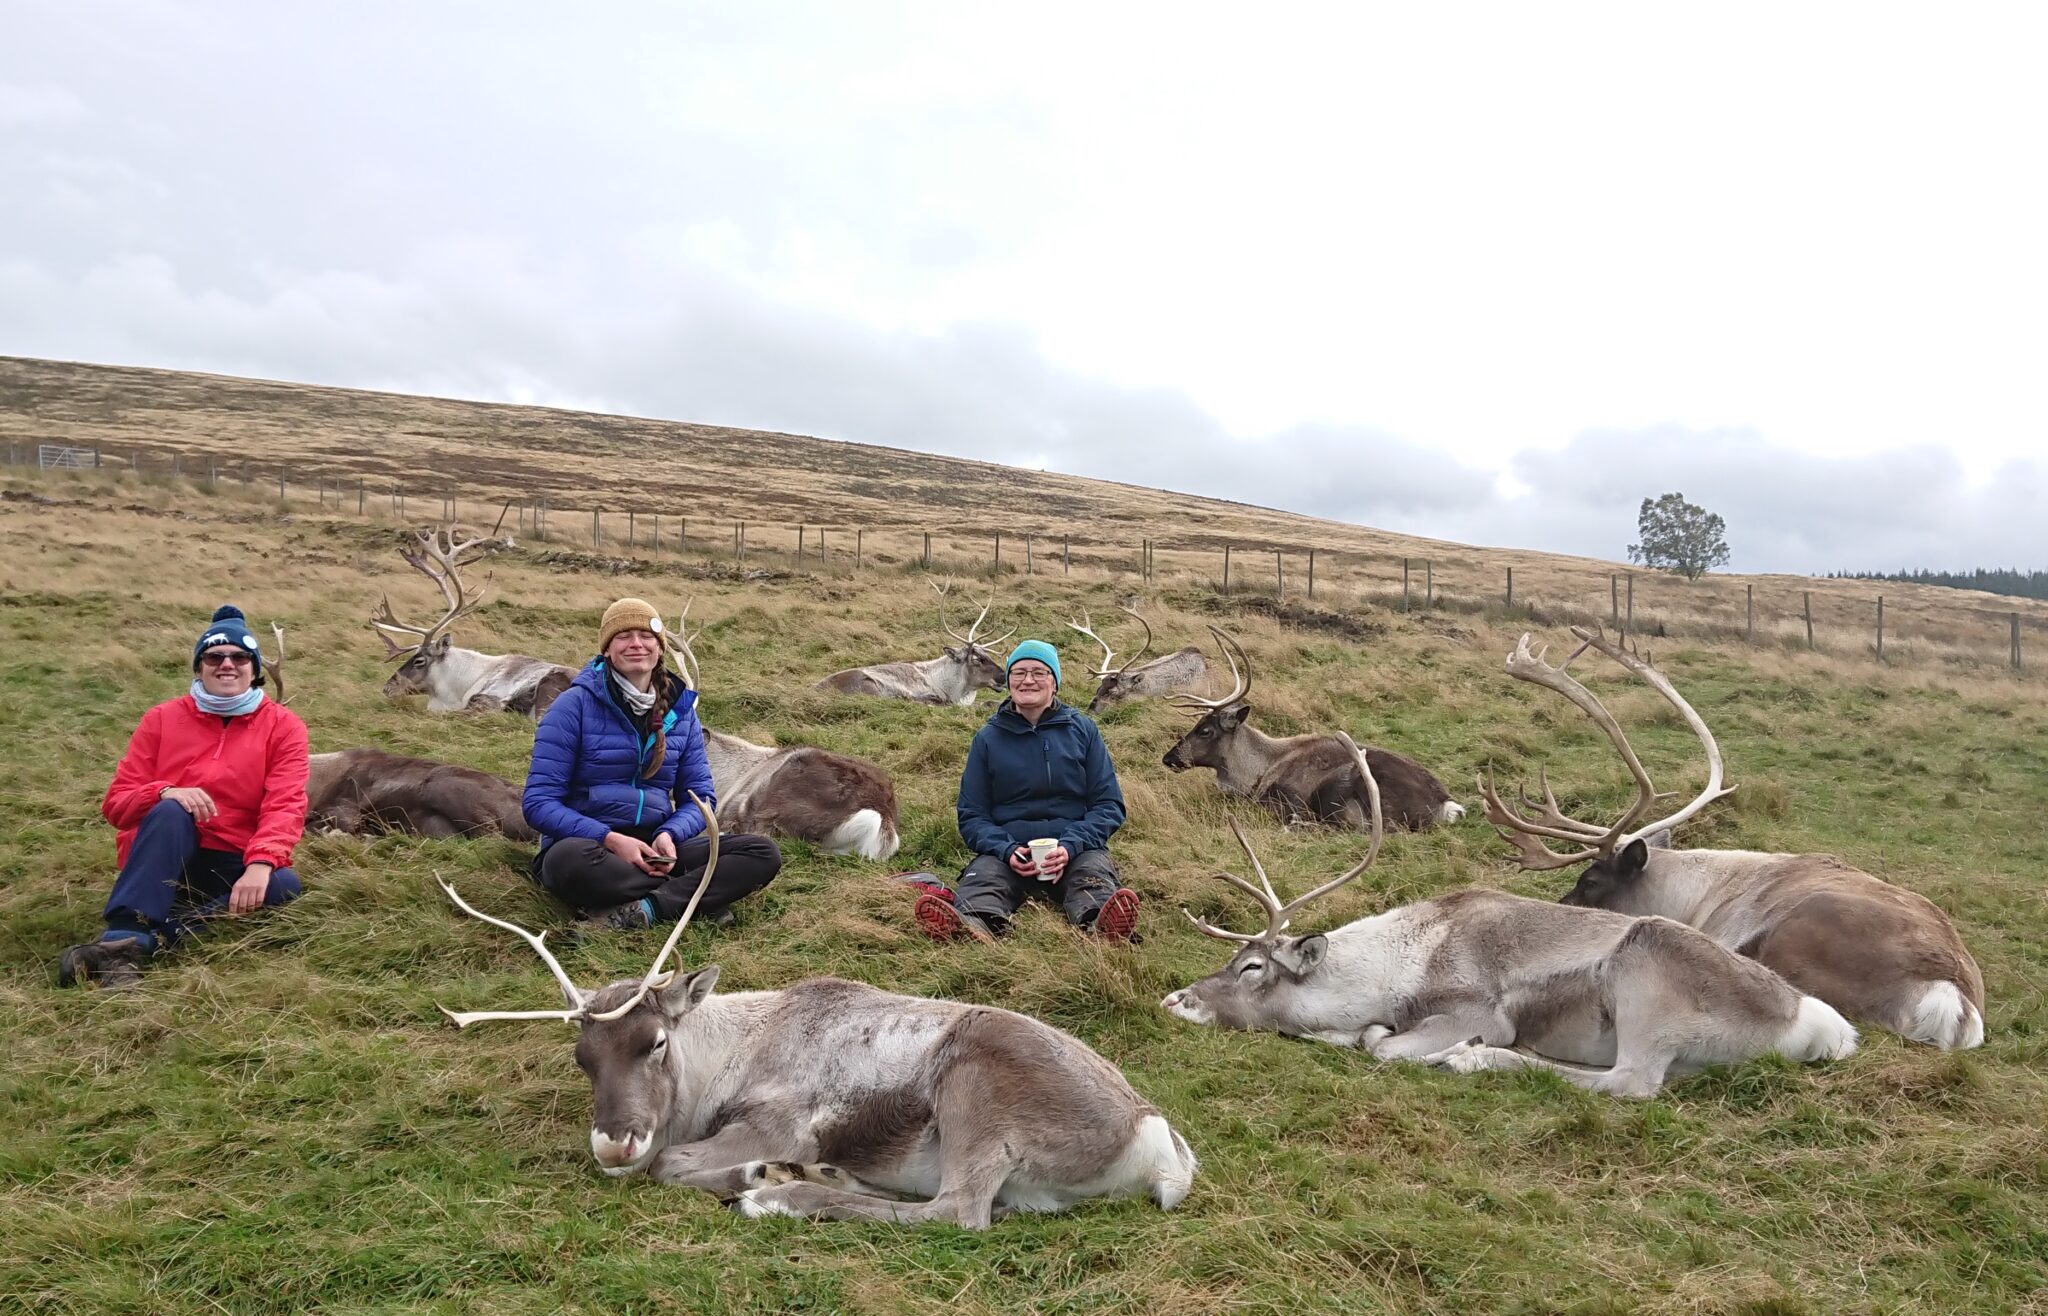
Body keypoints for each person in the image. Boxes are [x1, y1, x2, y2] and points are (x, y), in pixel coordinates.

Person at [59, 606, 310, 989]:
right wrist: (163, 791)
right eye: (214, 657)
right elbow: (116, 806)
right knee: (172, 811)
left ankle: (151, 942)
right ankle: (124, 931)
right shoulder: (161, 719)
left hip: (230, 860)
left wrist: (261, 863)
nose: (227, 664)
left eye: (240, 657)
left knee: (284, 883)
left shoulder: (284, 726)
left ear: (254, 668)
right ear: (199, 668)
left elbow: (286, 803)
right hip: (161, 859)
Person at [524, 598, 781, 929]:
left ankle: (648, 908)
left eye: (646, 636)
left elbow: (700, 796)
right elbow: (538, 803)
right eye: (623, 636)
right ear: (607, 649)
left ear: (659, 648)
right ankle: (698, 898)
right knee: (567, 864)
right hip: (590, 847)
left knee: (762, 853)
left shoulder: (681, 713)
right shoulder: (571, 708)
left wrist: (670, 835)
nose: (636, 644)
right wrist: (610, 839)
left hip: (657, 846)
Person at [918, 638, 1139, 943]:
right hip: (1009, 849)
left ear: (1055, 683)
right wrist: (1006, 850)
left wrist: (1071, 846)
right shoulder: (987, 739)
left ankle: (1102, 925)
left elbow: (1109, 805)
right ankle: (971, 927)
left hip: (1074, 847)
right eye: (1018, 673)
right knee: (984, 879)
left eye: (1039, 672)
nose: (1028, 680)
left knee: (1092, 877)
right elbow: (972, 815)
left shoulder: (1083, 731)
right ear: (1009, 682)